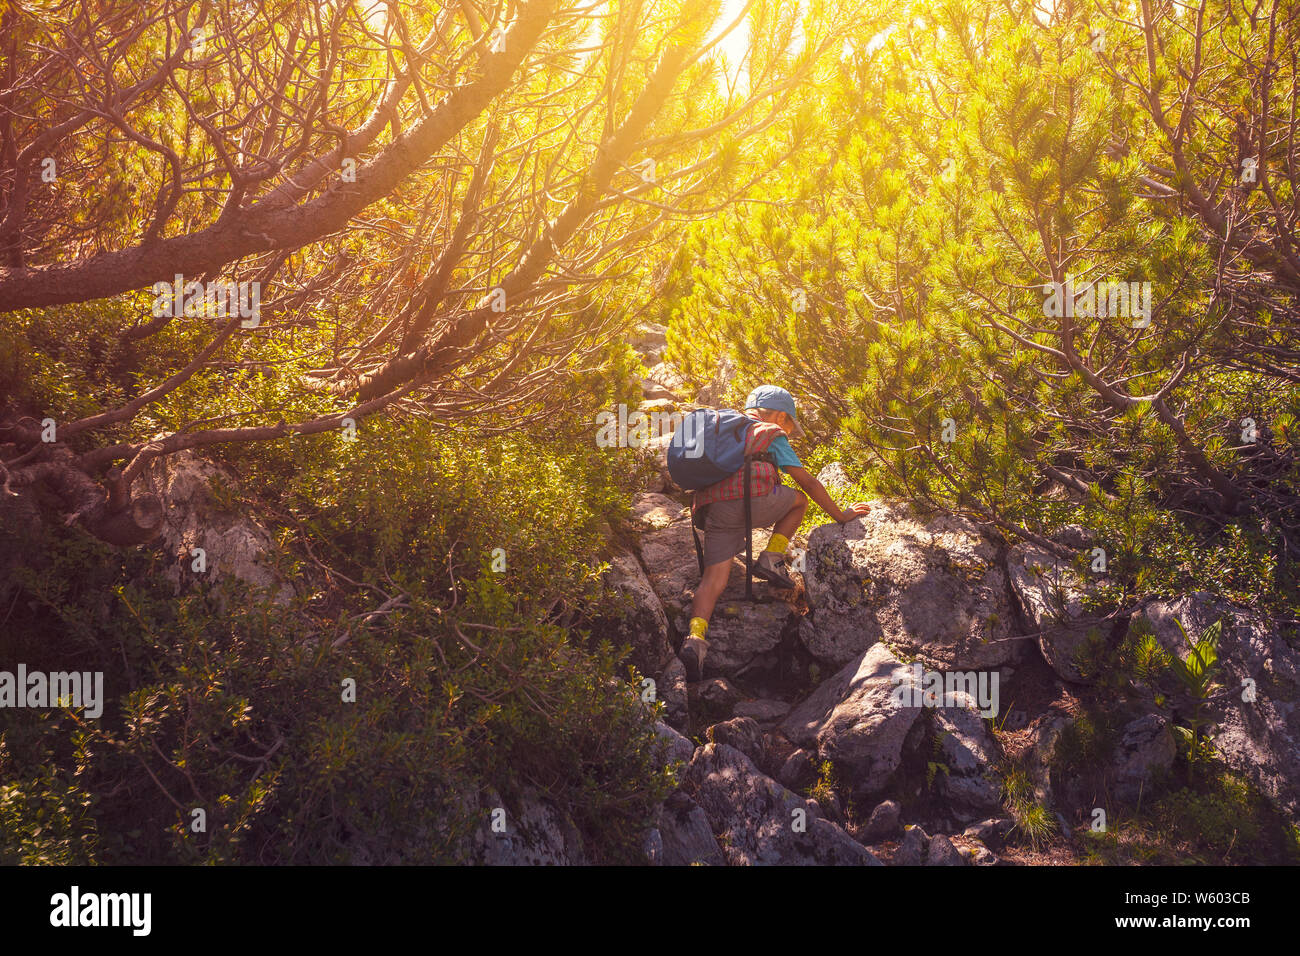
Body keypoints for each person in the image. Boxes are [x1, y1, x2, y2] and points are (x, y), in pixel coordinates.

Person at [679, 385, 873, 679]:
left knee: (713, 578)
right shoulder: (769, 433)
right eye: (790, 423)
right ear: (781, 416)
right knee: (799, 501)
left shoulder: (721, 431)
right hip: (754, 502)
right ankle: (772, 557)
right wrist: (840, 514)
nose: (789, 430)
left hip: (715, 511)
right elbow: (807, 482)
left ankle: (695, 638)